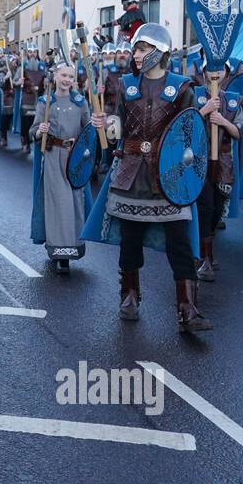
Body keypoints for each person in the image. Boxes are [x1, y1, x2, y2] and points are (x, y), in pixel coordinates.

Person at [82, 23, 209, 334]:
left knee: (179, 241)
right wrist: (105, 122)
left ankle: (187, 307)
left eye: (141, 49)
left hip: (168, 177)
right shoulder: (126, 85)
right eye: (135, 49)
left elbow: (191, 132)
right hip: (131, 172)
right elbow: (118, 129)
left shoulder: (182, 88)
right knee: (131, 240)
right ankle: (128, 295)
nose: (135, 54)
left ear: (160, 52)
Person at [30, 62, 92, 273]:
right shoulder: (45, 102)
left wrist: (101, 127)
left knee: (74, 202)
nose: (67, 80)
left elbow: (89, 129)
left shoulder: (80, 102)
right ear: (55, 76)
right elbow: (34, 131)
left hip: (74, 157)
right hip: (54, 155)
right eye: (63, 75)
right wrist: (41, 130)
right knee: (58, 203)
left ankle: (73, 246)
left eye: (70, 76)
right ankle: (59, 252)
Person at [191, 66, 243, 281]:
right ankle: (205, 256)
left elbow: (238, 132)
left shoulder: (233, 100)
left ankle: (207, 246)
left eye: (221, 69)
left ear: (226, 73)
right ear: (204, 72)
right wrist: (204, 111)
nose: (216, 72)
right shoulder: (192, 94)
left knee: (217, 209)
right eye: (211, 68)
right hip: (198, 160)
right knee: (205, 207)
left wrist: (222, 120)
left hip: (223, 161)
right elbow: (185, 124)